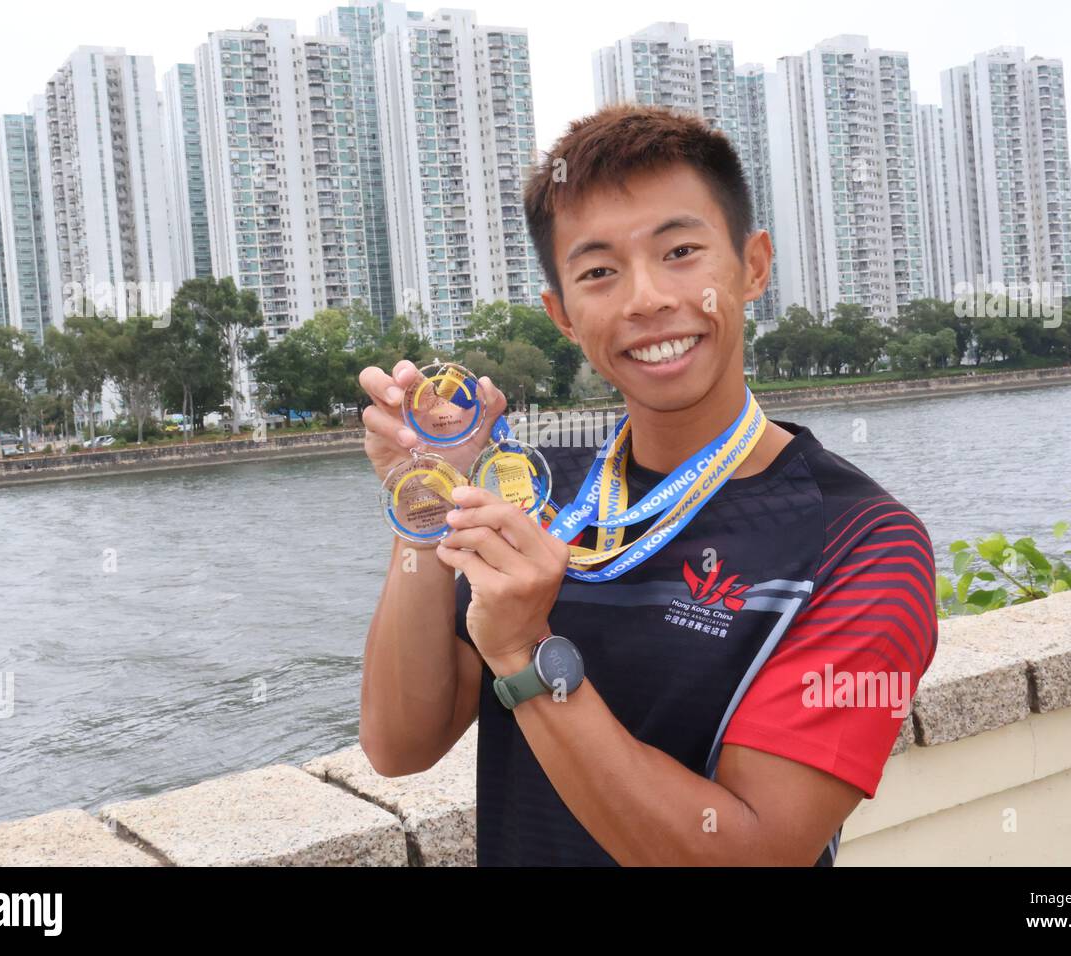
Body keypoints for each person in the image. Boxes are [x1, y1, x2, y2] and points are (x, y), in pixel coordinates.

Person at [357, 103, 938, 866]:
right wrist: (424, 498)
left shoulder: (866, 546)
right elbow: (400, 744)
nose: (644, 299)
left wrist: (529, 655)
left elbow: (753, 854)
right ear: (563, 313)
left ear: (753, 265)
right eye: (599, 271)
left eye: (681, 251)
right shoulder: (535, 486)